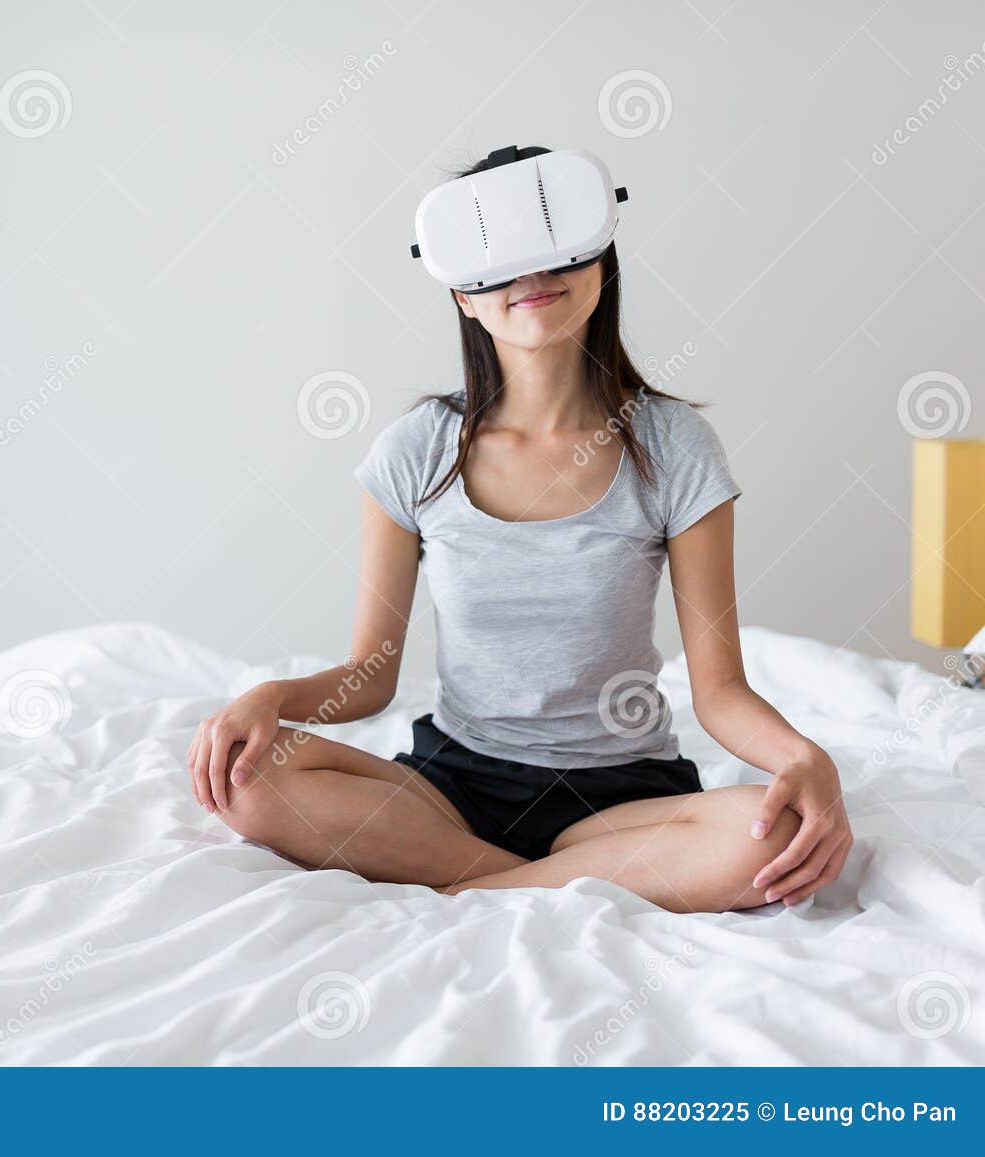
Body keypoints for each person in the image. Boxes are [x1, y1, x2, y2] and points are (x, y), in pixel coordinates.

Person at [184, 152, 853, 914]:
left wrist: (807, 757)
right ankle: (530, 878)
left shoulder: (674, 446)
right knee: (249, 777)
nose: (528, 276)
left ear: (601, 257)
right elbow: (371, 673)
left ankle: (477, 884)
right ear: (463, 298)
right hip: (452, 787)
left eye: (553, 243)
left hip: (620, 801)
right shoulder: (416, 451)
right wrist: (269, 697)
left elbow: (721, 692)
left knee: (777, 831)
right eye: (493, 264)